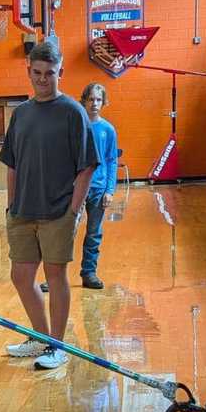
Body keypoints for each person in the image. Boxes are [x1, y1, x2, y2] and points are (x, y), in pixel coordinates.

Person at [0, 40, 98, 371]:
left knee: (55, 275)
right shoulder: (21, 113)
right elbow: (11, 163)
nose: (43, 79)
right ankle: (40, 337)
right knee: (21, 276)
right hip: (22, 211)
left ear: (61, 73)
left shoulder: (73, 112)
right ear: (29, 71)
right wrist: (11, 205)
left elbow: (87, 166)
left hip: (58, 212)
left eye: (50, 73)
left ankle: (57, 345)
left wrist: (74, 209)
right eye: (37, 73)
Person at [78, 83, 118, 289]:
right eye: (91, 99)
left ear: (103, 102)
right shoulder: (76, 125)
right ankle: (55, 276)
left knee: (94, 232)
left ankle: (89, 272)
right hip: (76, 189)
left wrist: (110, 190)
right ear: (84, 100)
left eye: (99, 100)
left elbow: (112, 160)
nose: (95, 103)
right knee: (66, 232)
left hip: (99, 188)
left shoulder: (108, 130)